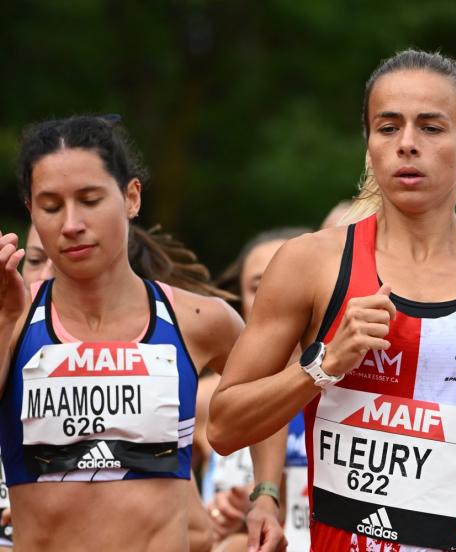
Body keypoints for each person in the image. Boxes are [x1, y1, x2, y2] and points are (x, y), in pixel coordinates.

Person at [209, 49, 456, 551]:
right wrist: (324, 365)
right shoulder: (309, 265)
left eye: (431, 128)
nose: (407, 145)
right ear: (369, 144)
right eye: (388, 127)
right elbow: (224, 427)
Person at [0, 115, 284, 552]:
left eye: (90, 199)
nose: (71, 223)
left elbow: (266, 392)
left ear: (131, 197)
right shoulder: (13, 322)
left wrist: (266, 495)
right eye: (51, 206)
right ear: (30, 209)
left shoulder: (197, 319)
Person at [196, 228, 311, 552]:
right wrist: (206, 518)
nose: (280, 295)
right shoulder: (208, 398)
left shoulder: (349, 394)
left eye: (295, 283)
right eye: (260, 286)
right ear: (242, 300)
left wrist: (265, 498)